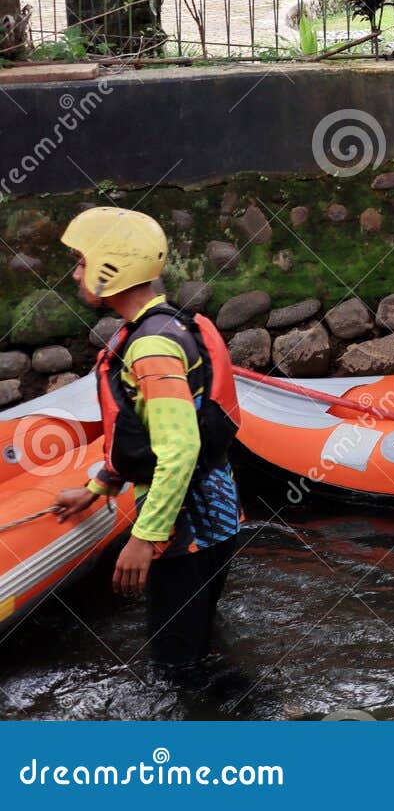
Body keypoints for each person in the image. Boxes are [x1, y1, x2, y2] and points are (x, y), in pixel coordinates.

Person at [51, 208, 242, 670]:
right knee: (201, 647)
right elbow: (143, 434)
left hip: (183, 531)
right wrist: (98, 489)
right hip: (218, 516)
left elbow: (178, 450)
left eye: (81, 261)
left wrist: (145, 537)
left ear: (112, 266)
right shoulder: (170, 322)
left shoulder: (151, 347)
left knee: (177, 667)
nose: (76, 273)